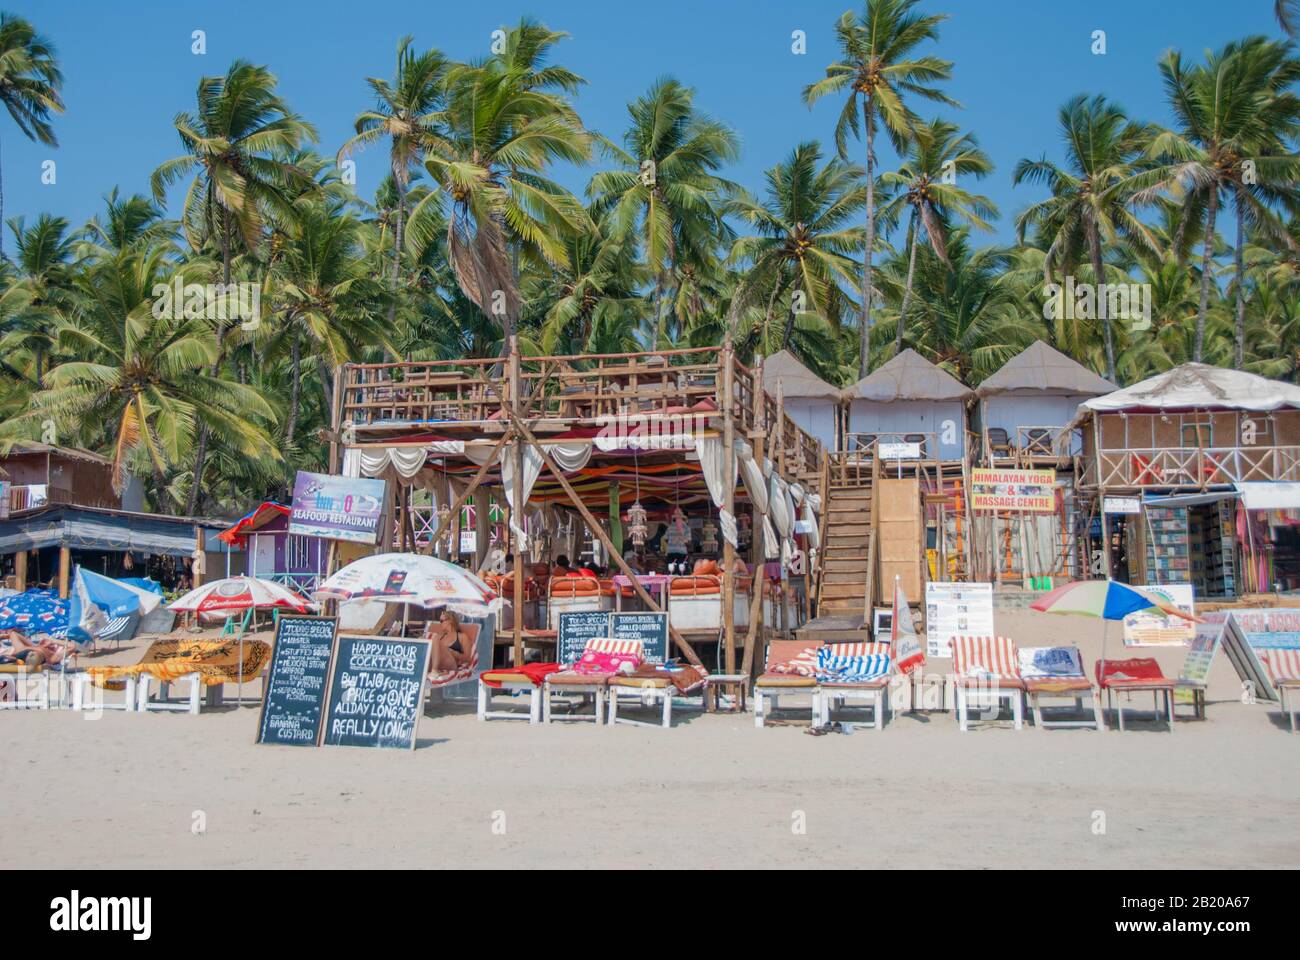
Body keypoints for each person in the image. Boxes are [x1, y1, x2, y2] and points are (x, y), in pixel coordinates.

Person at [424, 609, 474, 676]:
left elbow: (468, 659)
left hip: (452, 665)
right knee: (424, 639)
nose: (440, 623)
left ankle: (434, 671)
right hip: (440, 664)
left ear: (450, 621)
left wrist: (454, 653)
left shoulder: (462, 637)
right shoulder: (441, 637)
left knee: (435, 639)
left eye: (441, 621)